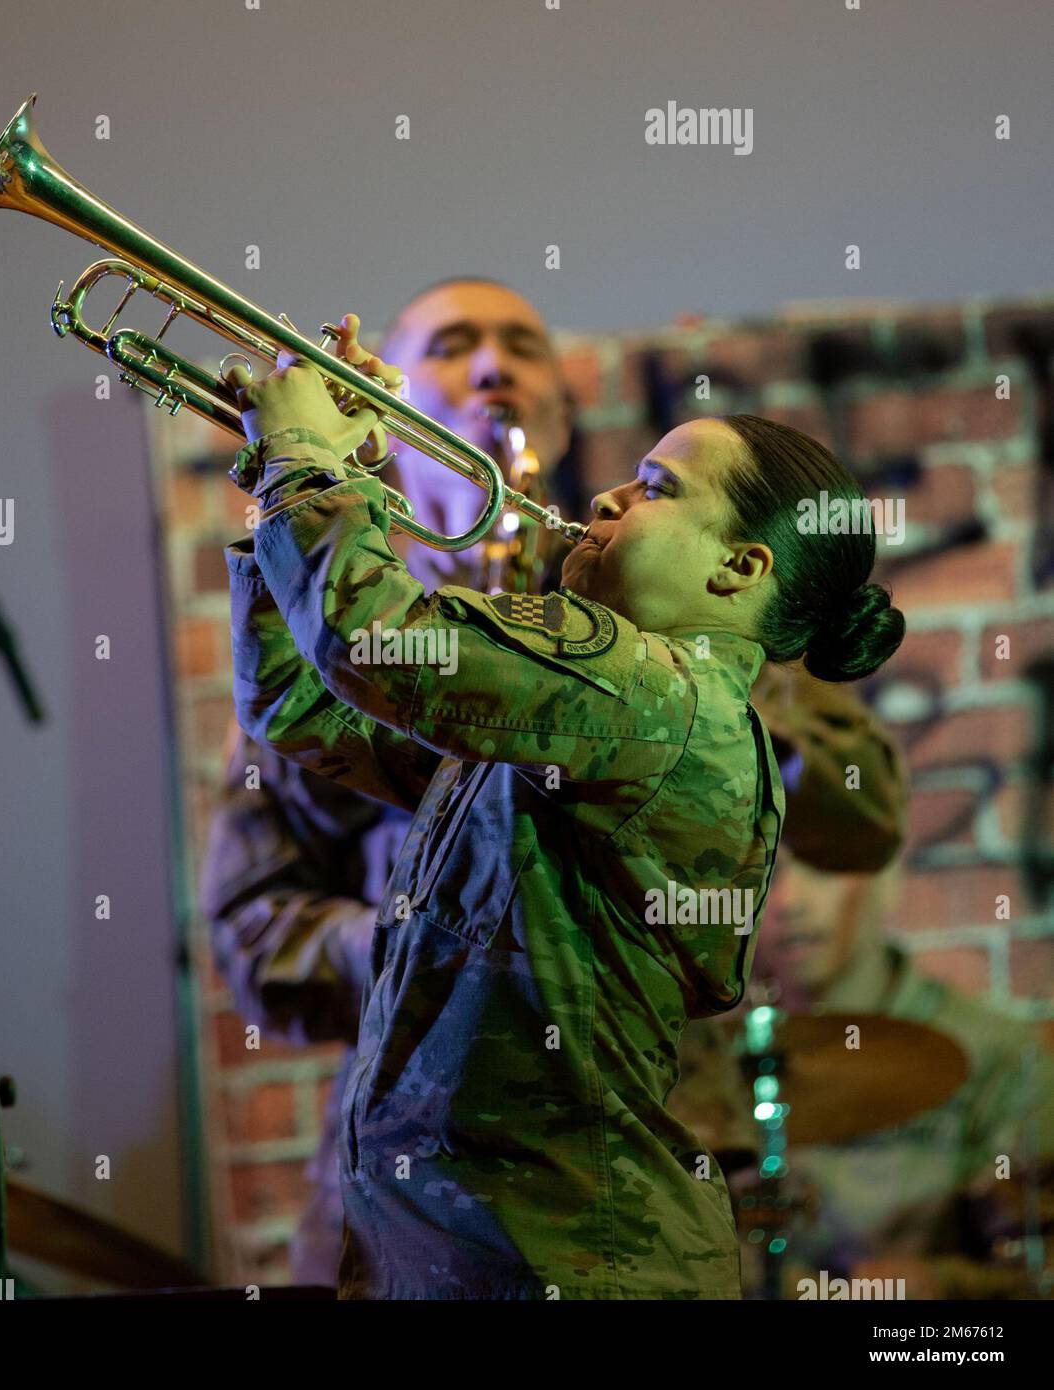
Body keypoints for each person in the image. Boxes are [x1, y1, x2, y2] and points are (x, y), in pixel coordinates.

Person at [219, 318, 906, 1298]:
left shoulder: (656, 693)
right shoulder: (591, 708)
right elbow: (303, 708)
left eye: (657, 490)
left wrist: (305, 459)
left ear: (738, 570)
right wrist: (325, 478)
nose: (607, 496)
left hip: (566, 1266)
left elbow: (373, 643)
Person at [202, 280, 576, 1283]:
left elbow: (858, 821)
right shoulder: (321, 633)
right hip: (399, 1155)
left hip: (606, 1163)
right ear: (389, 419)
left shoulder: (636, 613)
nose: (494, 366)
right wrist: (415, 943)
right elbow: (248, 932)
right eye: (454, 345)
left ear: (565, 411)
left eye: (520, 345)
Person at [746, 851, 1054, 1299]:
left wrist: (941, 1285)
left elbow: (1039, 1266)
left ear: (884, 881)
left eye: (823, 868)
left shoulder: (997, 1057)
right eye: (767, 875)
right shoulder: (705, 1065)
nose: (789, 901)